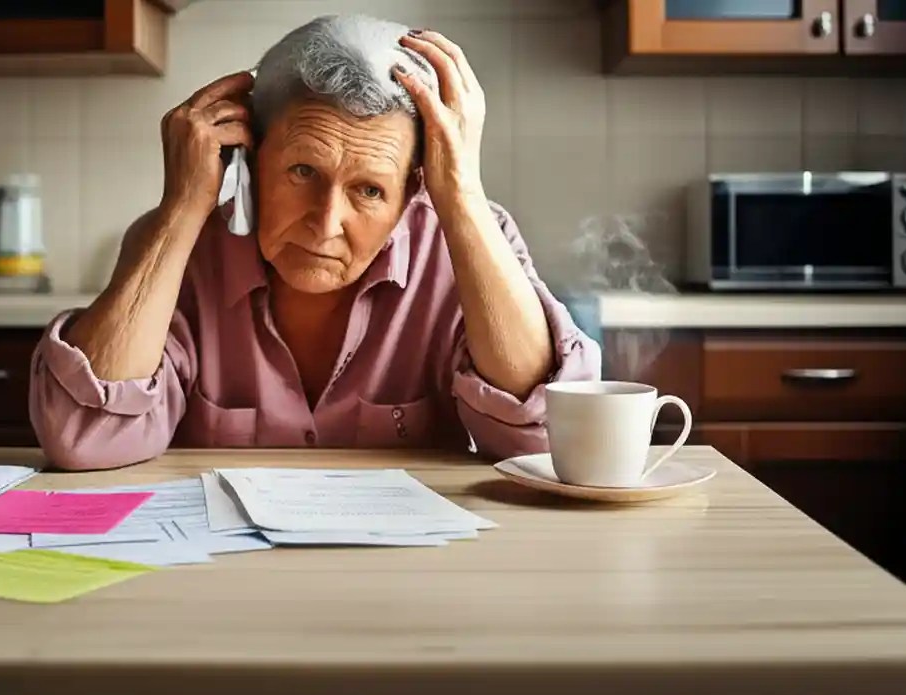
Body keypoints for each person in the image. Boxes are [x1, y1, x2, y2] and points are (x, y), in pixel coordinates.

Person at [29, 14, 600, 471]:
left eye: (370, 190)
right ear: (248, 158)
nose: (326, 224)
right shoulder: (183, 247)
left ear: (413, 189)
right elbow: (86, 438)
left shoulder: (468, 240)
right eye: (302, 172)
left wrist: (464, 196)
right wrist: (180, 210)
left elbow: (543, 440)